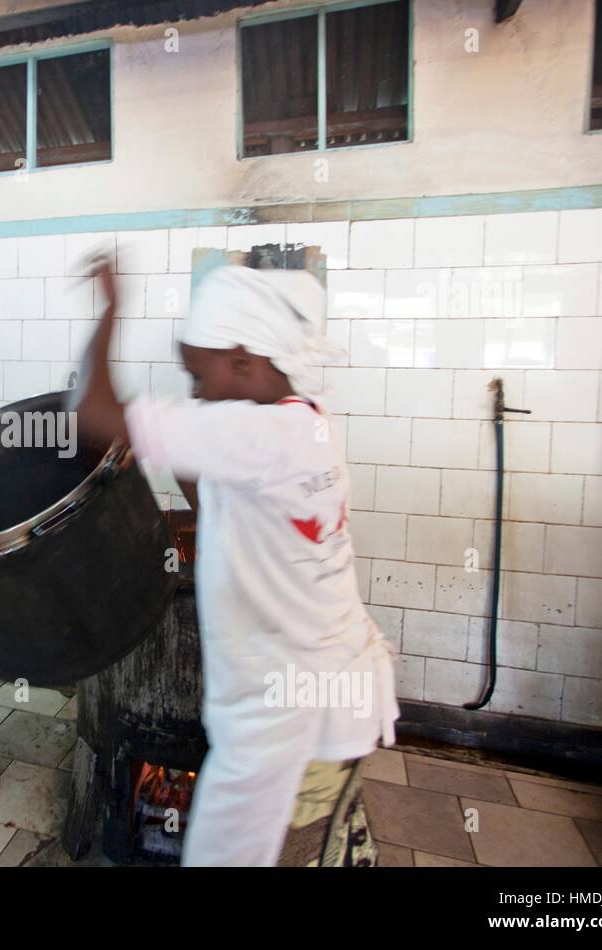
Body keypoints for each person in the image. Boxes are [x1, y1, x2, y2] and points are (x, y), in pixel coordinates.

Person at [72, 256, 399, 866]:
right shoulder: (300, 421)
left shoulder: (257, 437)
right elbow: (216, 490)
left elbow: (88, 410)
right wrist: (164, 440)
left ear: (244, 361)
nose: (193, 391)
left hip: (296, 719)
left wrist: (110, 307)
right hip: (325, 691)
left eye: (198, 374)